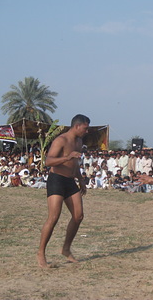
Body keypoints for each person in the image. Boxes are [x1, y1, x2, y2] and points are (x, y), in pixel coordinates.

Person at [37, 114, 90, 268]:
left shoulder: (79, 141)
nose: (87, 131)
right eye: (85, 128)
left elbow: (75, 164)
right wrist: (67, 157)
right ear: (77, 126)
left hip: (70, 181)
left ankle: (66, 249)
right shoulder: (61, 140)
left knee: (78, 216)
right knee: (53, 217)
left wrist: (80, 180)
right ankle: (41, 252)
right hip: (57, 180)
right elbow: (48, 161)